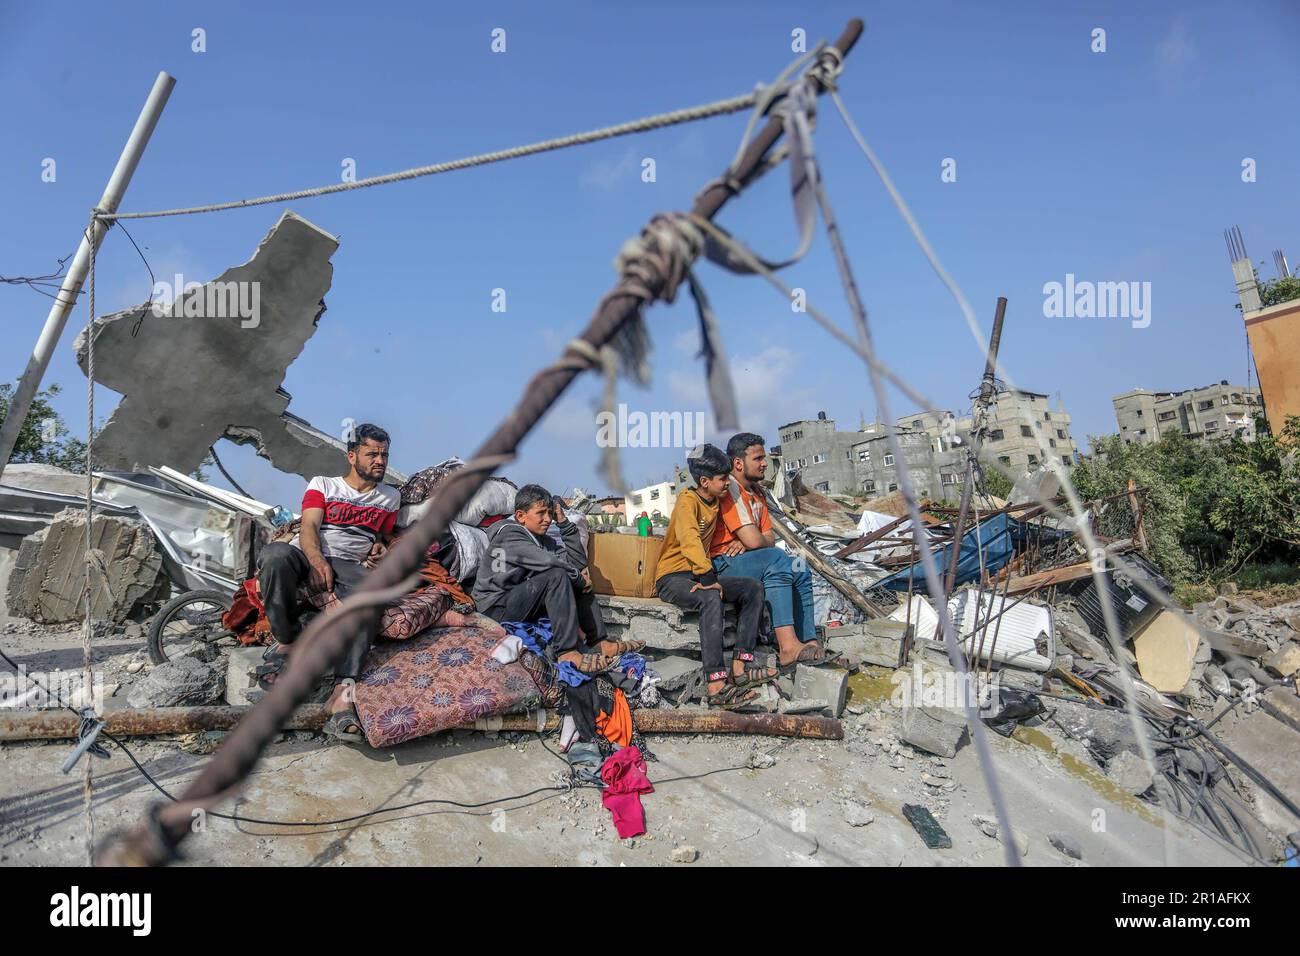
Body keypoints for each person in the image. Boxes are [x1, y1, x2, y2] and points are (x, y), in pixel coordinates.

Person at [255, 423, 399, 742]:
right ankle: (288, 638)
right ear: (352, 456)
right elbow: (309, 526)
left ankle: (342, 689)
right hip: (308, 552)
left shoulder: (391, 497)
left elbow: (384, 535)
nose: (380, 460)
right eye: (372, 454)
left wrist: (381, 549)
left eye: (385, 454)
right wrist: (317, 561)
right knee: (274, 556)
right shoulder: (324, 484)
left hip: (349, 564)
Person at [655, 444, 777, 708]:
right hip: (673, 577)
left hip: (698, 573)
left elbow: (740, 527)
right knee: (711, 596)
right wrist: (708, 578)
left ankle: (740, 668)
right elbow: (689, 541)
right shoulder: (688, 502)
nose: (727, 483)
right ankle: (715, 684)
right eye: (722, 478)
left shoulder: (718, 499)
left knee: (752, 588)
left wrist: (745, 543)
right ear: (704, 481)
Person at [473, 484, 641, 672]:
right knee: (558, 575)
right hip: (495, 607)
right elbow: (549, 563)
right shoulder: (509, 535)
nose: (547, 519)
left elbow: (576, 563)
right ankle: (567, 652)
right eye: (541, 513)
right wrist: (577, 577)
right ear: (520, 516)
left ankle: (599, 641)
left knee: (575, 578)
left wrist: (563, 524)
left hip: (518, 599)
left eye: (550, 513)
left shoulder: (543, 540)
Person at [709, 432, 840, 670]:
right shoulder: (731, 490)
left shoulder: (758, 493)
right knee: (778, 558)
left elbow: (767, 538)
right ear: (738, 463)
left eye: (764, 457)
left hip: (749, 559)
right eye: (758, 458)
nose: (764, 463)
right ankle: (787, 647)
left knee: (800, 567)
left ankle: (808, 642)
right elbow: (756, 540)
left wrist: (751, 541)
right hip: (724, 563)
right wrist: (751, 541)